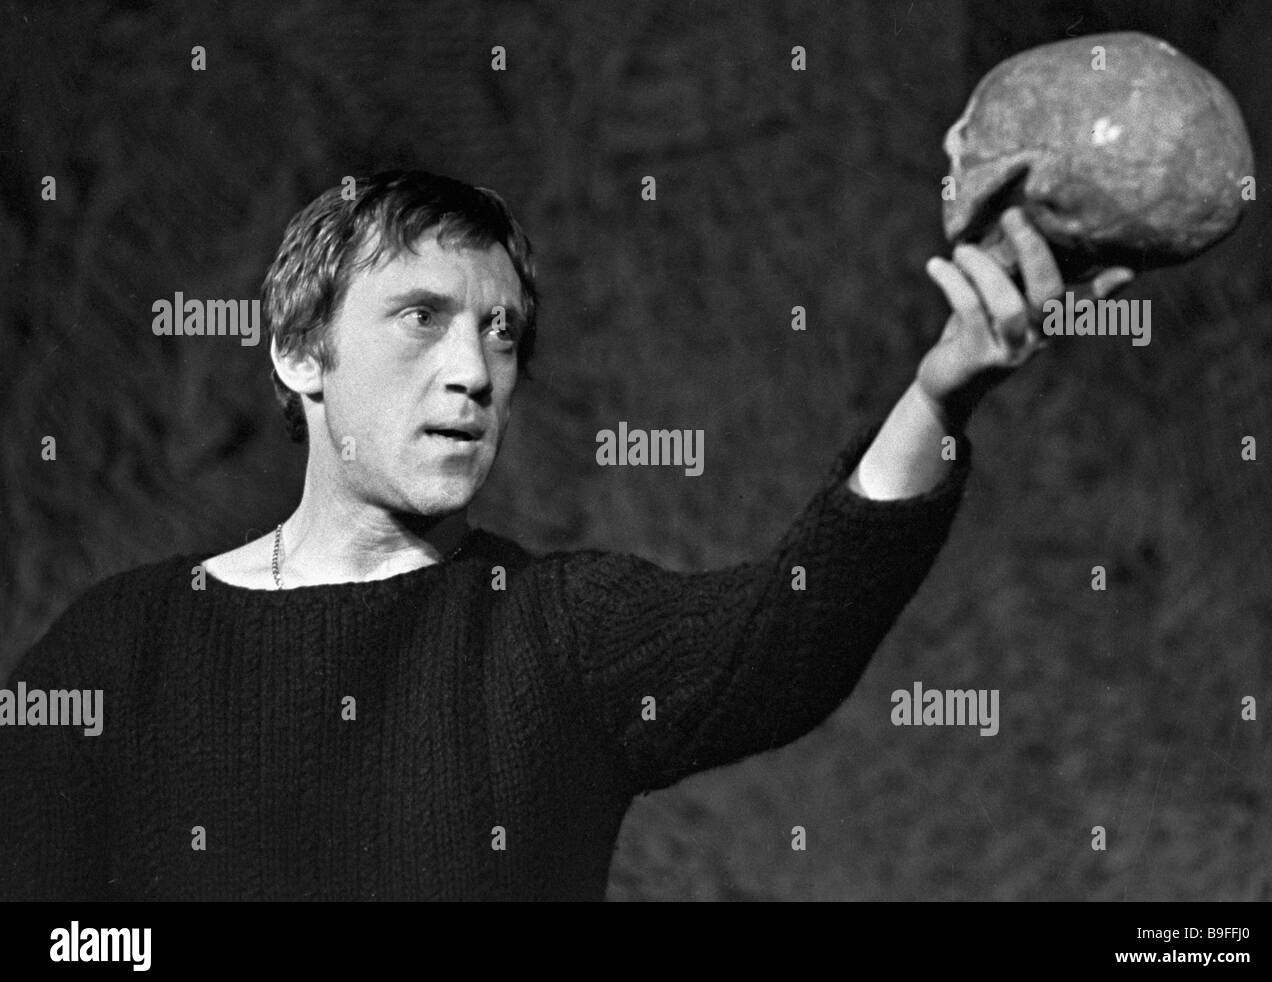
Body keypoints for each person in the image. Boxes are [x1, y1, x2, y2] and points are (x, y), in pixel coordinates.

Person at [0, 171, 1132, 900]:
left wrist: (941, 397)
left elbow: (786, 635)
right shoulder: (122, 648)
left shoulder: (555, 632)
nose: (472, 371)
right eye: (420, 316)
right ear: (301, 354)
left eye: (500, 333)